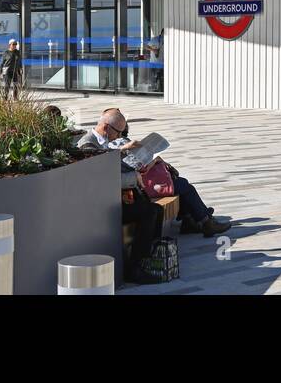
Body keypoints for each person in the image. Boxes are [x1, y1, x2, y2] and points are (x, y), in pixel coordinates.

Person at [77, 108, 229, 283]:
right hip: (102, 204)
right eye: (118, 132)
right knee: (149, 211)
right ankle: (134, 268)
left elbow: (115, 165)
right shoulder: (87, 143)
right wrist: (131, 171)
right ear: (106, 127)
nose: (119, 137)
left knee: (155, 210)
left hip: (119, 196)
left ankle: (147, 259)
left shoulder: (106, 140)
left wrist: (140, 161)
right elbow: (100, 173)